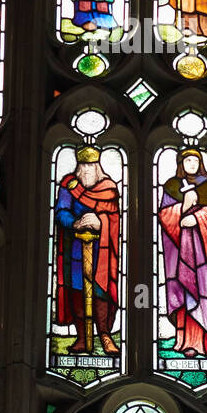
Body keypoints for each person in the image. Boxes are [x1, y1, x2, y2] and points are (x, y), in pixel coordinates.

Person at [53, 146, 122, 355]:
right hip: (74, 250)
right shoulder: (68, 184)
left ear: (97, 166)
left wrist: (100, 222)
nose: (86, 170)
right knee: (77, 293)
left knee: (101, 292)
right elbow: (61, 211)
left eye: (90, 165)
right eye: (83, 165)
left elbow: (114, 217)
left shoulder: (108, 187)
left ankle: (104, 335)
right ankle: (82, 337)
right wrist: (75, 223)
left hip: (103, 253)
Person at [158, 149, 207, 358]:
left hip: (204, 253)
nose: (192, 164)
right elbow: (164, 214)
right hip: (178, 252)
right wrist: (183, 207)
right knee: (183, 292)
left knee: (203, 293)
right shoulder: (171, 185)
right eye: (187, 160)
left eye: (195, 160)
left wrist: (197, 218)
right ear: (181, 163)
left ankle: (202, 345)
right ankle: (183, 341)